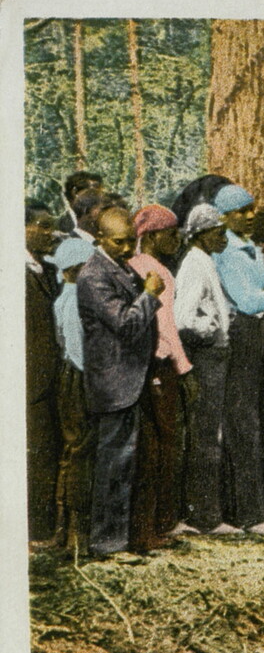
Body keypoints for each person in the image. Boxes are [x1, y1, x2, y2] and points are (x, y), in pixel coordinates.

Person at [76, 207, 163, 557]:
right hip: (114, 384)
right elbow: (126, 324)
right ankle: (107, 544)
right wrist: (150, 294)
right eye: (119, 242)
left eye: (132, 241)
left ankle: (123, 540)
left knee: (126, 465)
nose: (128, 249)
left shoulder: (118, 266)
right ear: (100, 239)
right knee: (113, 466)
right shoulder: (93, 275)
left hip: (130, 379)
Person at [212, 183, 264, 535]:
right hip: (241, 335)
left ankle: (260, 510)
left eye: (252, 209)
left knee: (258, 420)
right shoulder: (226, 251)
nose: (251, 216)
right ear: (225, 217)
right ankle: (249, 513)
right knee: (243, 424)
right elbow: (251, 300)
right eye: (243, 211)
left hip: (257, 334)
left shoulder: (250, 247)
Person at [128, 205, 196, 544]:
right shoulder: (156, 271)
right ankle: (159, 523)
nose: (176, 240)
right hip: (159, 364)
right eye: (170, 234)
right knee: (164, 445)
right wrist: (184, 369)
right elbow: (165, 324)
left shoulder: (133, 265)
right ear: (152, 236)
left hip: (140, 365)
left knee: (150, 444)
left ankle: (150, 524)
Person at [173, 204, 238, 535]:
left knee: (210, 433)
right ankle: (204, 515)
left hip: (215, 355)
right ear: (201, 234)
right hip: (207, 356)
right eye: (218, 232)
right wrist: (211, 328)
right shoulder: (194, 264)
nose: (223, 237)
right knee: (206, 435)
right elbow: (183, 318)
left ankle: (207, 512)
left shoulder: (204, 260)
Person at [49, 238, 96, 553]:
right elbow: (79, 352)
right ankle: (76, 532)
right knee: (82, 451)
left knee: (72, 451)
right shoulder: (75, 300)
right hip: (80, 378)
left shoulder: (65, 298)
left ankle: (64, 528)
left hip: (71, 376)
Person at [26, 203, 63, 544]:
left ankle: (46, 527)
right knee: (35, 452)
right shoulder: (16, 273)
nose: (51, 234)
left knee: (49, 451)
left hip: (53, 376)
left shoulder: (49, 271)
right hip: (30, 380)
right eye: (44, 226)